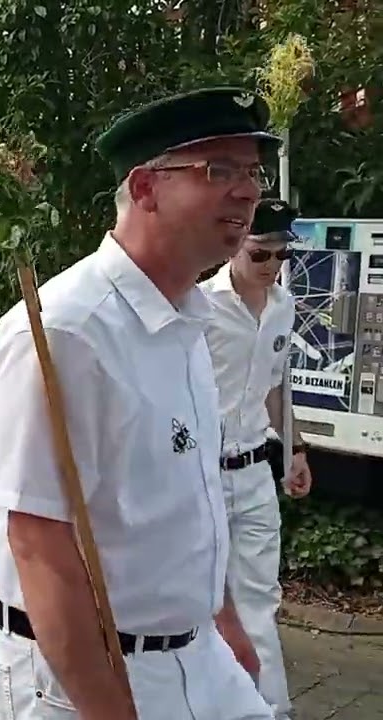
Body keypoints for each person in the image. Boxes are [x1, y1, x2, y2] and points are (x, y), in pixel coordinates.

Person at [0, 87, 280, 719]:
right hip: (87, 671)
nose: (247, 191)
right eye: (217, 170)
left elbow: (185, 500)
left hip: (197, 651)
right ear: (144, 188)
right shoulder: (68, 330)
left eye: (252, 171)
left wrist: (222, 619)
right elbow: (37, 542)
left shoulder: (187, 317)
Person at [201, 198, 314, 720]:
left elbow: (275, 386)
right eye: (260, 255)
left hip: (252, 473)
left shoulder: (282, 306)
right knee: (200, 600)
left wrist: (294, 449)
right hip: (199, 477)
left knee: (259, 598)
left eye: (280, 257)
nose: (270, 268)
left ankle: (271, 709)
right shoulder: (198, 308)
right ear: (237, 248)